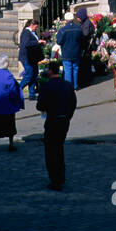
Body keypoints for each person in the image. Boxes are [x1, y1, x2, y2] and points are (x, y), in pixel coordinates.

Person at [36, 60, 76, 191]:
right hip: (64, 121)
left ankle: (55, 179)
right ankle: (61, 175)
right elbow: (73, 103)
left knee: (51, 151)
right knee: (59, 148)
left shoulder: (47, 86)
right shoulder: (68, 85)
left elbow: (40, 106)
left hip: (52, 120)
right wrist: (68, 116)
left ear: (50, 71)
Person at [56, 11, 85, 89]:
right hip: (76, 52)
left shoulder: (62, 30)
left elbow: (58, 41)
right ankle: (75, 86)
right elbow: (82, 40)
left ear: (66, 20)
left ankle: (68, 87)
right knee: (75, 69)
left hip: (66, 53)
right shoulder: (78, 29)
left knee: (68, 70)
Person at [18, 17, 43, 99]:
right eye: (36, 26)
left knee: (34, 74)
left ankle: (32, 94)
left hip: (33, 57)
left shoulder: (32, 32)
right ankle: (16, 90)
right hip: (26, 57)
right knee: (29, 74)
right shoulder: (26, 32)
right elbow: (26, 43)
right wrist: (37, 42)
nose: (37, 28)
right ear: (32, 25)